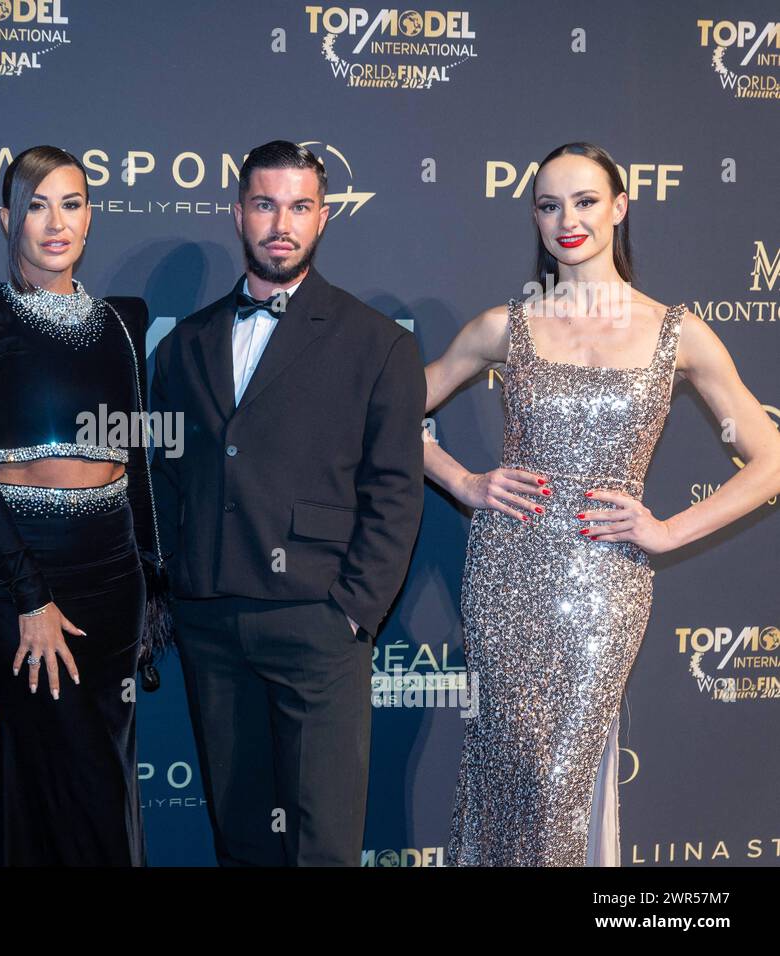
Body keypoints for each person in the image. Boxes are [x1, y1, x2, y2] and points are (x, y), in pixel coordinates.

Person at [423, 142, 780, 866]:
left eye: (585, 201)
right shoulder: (503, 327)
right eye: (550, 205)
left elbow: (769, 460)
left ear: (619, 207)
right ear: (535, 217)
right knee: (509, 771)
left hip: (606, 588)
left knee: (561, 783)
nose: (568, 220)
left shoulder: (679, 334)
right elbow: (386, 413)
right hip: (506, 575)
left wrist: (671, 530)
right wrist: (464, 482)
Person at [150, 141, 426, 866]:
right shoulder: (183, 345)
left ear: (323, 217)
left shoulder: (378, 344)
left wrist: (352, 609)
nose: (282, 223)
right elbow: (163, 474)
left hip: (317, 619)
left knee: (321, 842)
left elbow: (394, 488)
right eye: (266, 204)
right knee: (240, 837)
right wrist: (181, 585)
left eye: (299, 206)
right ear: (238, 213)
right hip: (211, 619)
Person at [0, 145, 160, 865]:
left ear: (91, 218)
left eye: (71, 203)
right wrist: (29, 595)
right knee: (71, 774)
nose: (54, 223)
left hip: (113, 579)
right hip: (18, 574)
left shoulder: (126, 320)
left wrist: (154, 578)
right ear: (8, 218)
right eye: (36, 205)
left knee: (89, 772)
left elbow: (140, 460)